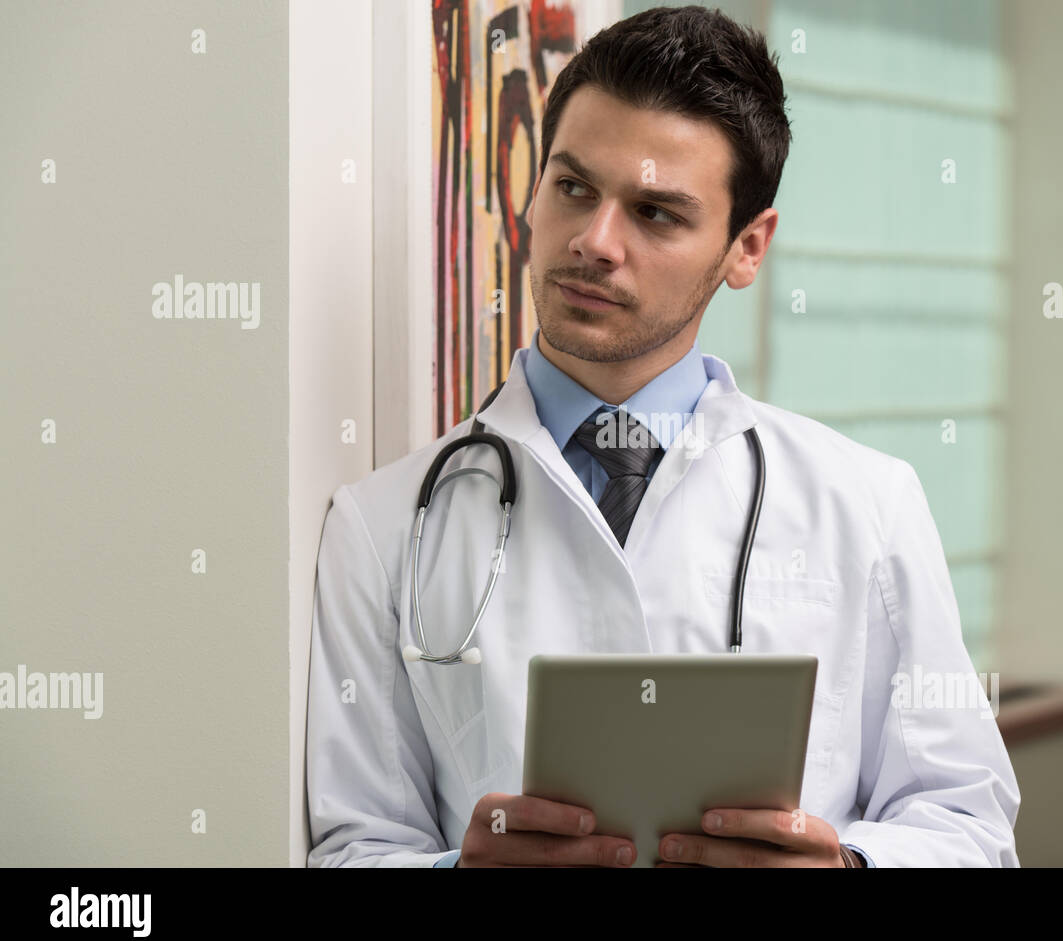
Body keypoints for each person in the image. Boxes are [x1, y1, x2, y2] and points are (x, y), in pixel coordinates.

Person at [306, 5, 1019, 868]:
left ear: (746, 248)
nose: (594, 242)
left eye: (654, 212)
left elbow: (970, 827)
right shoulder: (381, 526)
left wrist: (849, 867)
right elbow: (355, 843)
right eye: (572, 187)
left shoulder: (868, 503)